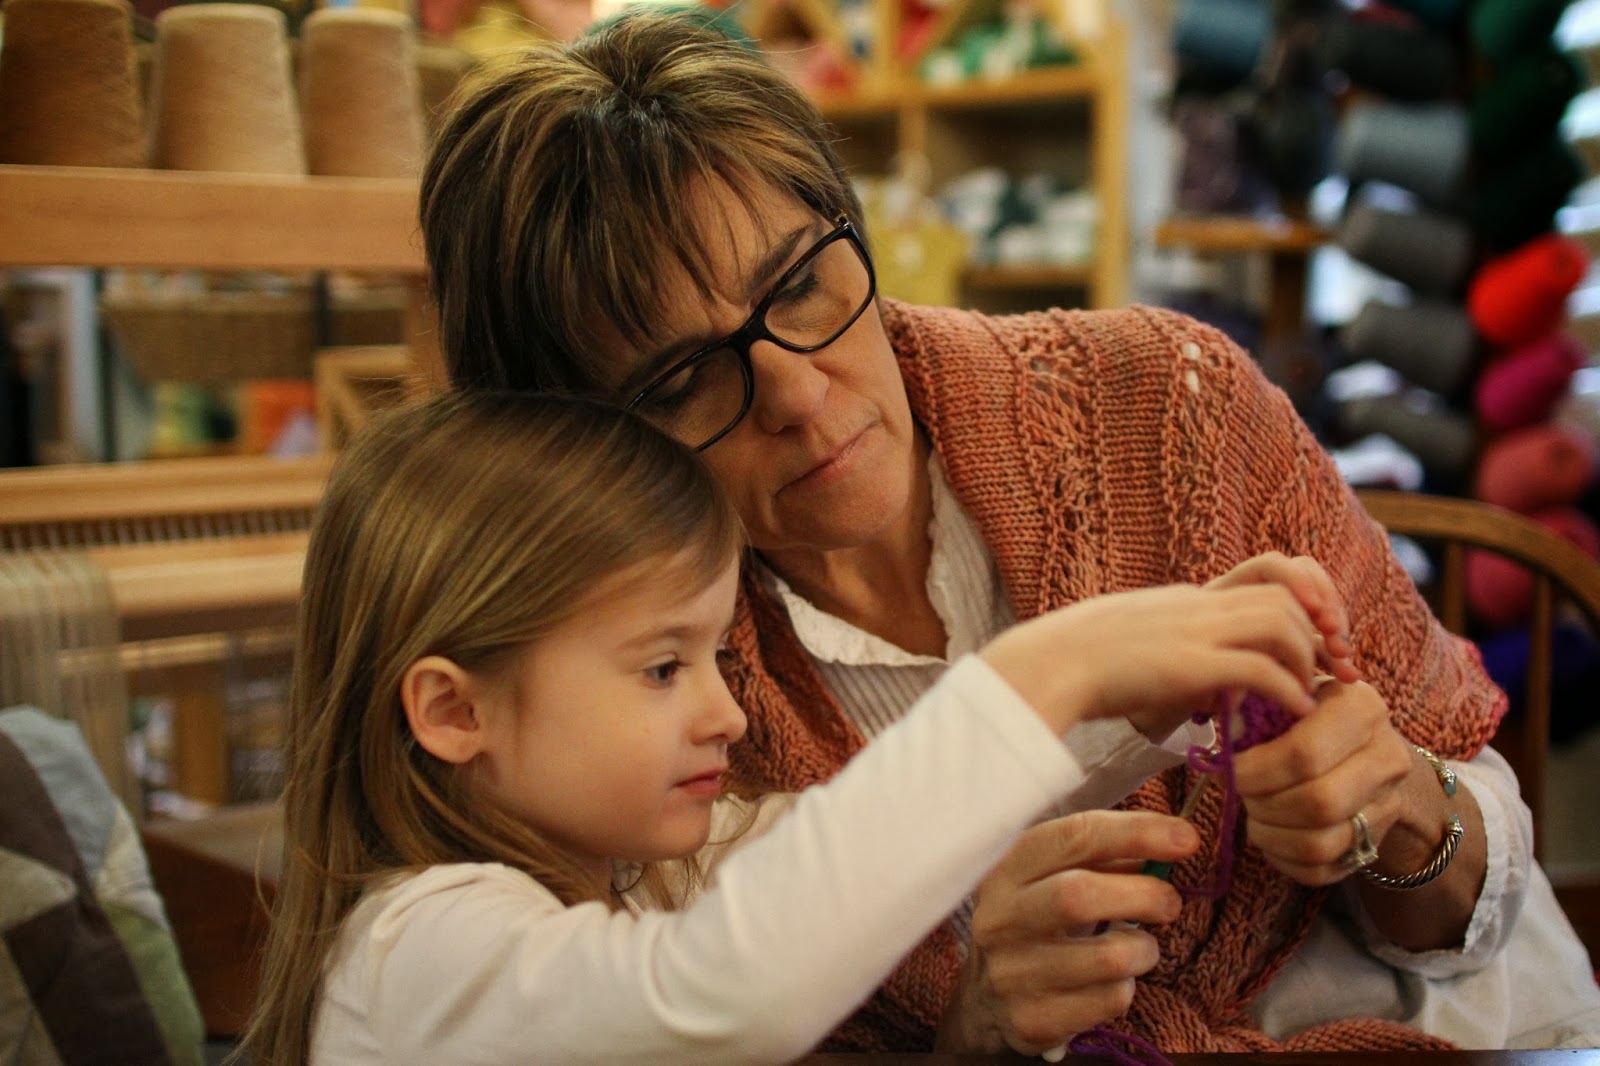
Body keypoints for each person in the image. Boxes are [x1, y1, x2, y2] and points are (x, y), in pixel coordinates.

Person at [417, 12, 1600, 1054]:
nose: (797, 394)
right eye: (683, 378)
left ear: (850, 225)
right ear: (584, 443)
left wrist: (1402, 811)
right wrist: (976, 1031)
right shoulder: (632, 696)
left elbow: (1479, 905)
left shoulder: (1166, 402)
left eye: (800, 286)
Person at [240, 389, 1334, 1065]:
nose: (724, 713)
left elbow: (903, 844)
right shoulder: (414, 951)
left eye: (717, 659)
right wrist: (1049, 671)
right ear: (454, 711)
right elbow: (729, 993)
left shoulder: (635, 877)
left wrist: (1148, 708)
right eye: (662, 667)